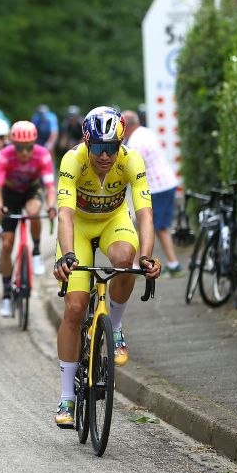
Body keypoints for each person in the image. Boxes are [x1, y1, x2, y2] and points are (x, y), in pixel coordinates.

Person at [51, 106, 161, 428]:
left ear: (120, 144)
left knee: (126, 260)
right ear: (87, 143)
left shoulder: (131, 161)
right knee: (74, 307)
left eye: (111, 147)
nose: (104, 155)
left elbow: (144, 214)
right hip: (80, 229)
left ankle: (113, 326)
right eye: (98, 147)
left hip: (114, 222)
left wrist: (148, 256)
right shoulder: (72, 160)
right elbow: (65, 214)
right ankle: (66, 397)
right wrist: (67, 255)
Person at [0, 121, 57, 318]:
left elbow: (49, 186)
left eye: (28, 147)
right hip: (10, 194)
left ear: (34, 144)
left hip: (31, 190)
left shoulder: (42, 154)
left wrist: (51, 204)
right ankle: (5, 294)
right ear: (13, 144)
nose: (23, 152)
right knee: (6, 244)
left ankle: (37, 251)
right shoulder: (5, 155)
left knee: (34, 210)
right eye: (19, 148)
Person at [122, 110, 182, 277]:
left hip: (157, 186)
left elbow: (130, 169)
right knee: (153, 226)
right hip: (166, 182)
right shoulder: (146, 132)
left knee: (154, 227)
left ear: (126, 127)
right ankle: (165, 264)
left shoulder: (135, 143)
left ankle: (172, 265)